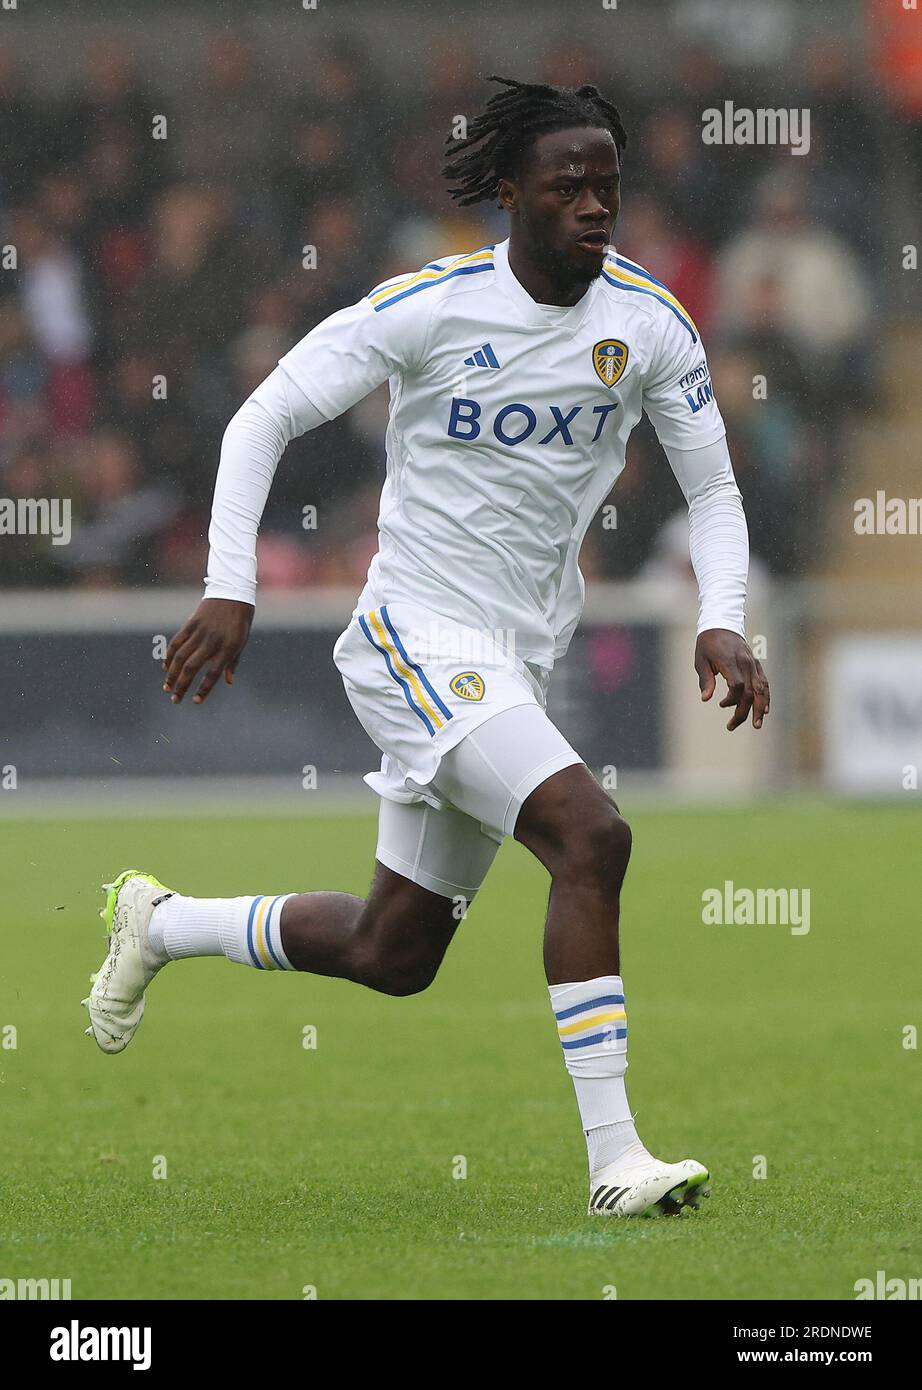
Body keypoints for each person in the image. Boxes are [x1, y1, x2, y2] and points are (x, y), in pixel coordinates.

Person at [84, 77, 769, 1218]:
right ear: (508, 196)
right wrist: (228, 586)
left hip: (518, 651)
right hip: (414, 634)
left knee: (390, 951)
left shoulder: (649, 323)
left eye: (608, 184)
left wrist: (721, 615)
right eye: (568, 186)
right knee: (589, 836)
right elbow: (263, 415)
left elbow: (714, 488)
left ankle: (165, 922)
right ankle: (616, 1160)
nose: (595, 204)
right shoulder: (429, 306)